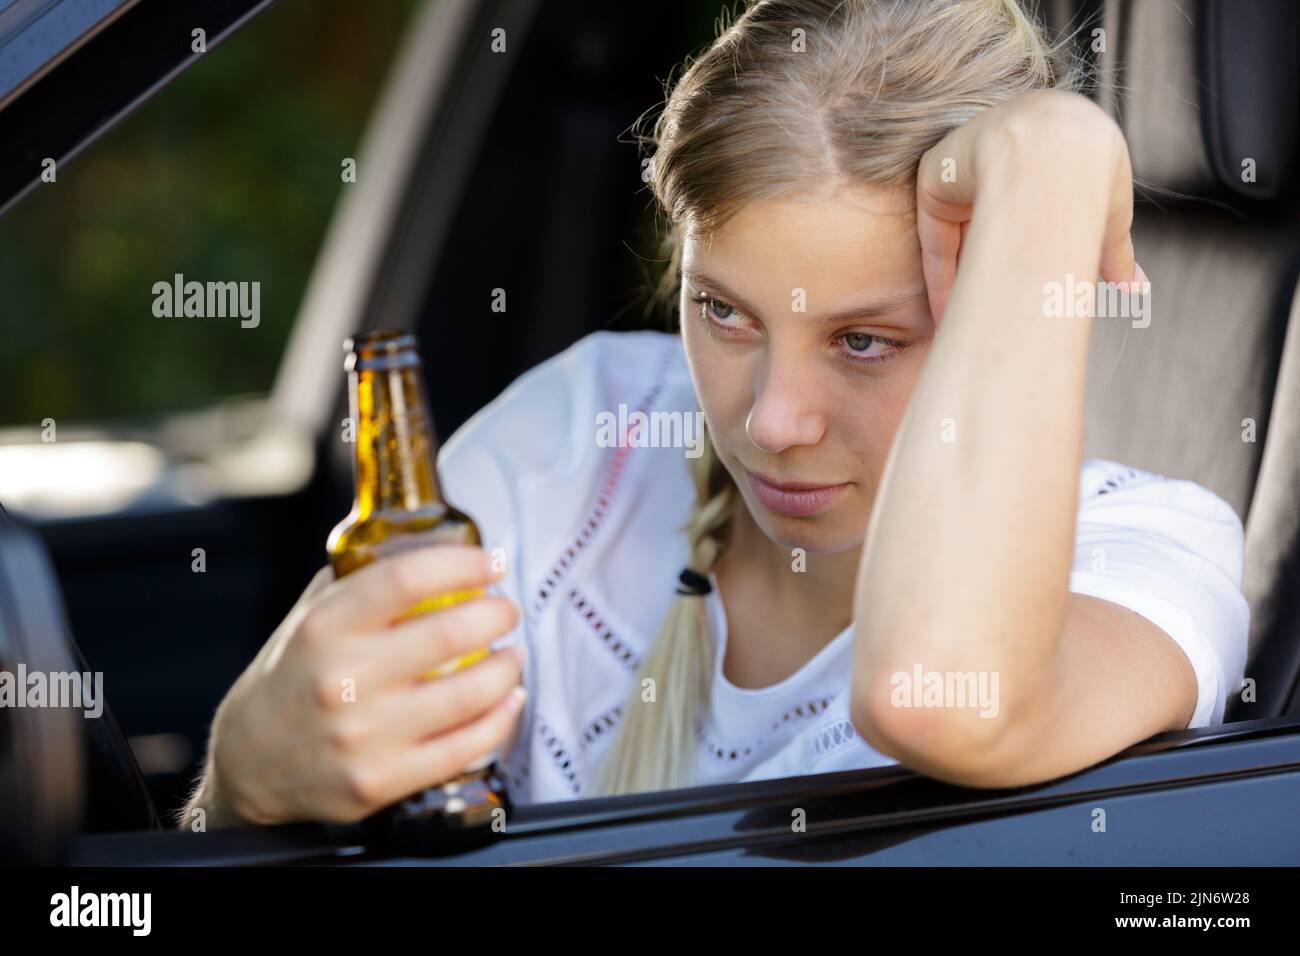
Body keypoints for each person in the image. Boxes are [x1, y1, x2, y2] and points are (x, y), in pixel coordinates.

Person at [178, 0, 1249, 828]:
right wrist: (242, 781)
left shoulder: (1146, 553)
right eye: (723, 313)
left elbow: (936, 703)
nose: (772, 420)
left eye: (865, 339)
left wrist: (1047, 160)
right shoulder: (584, 423)